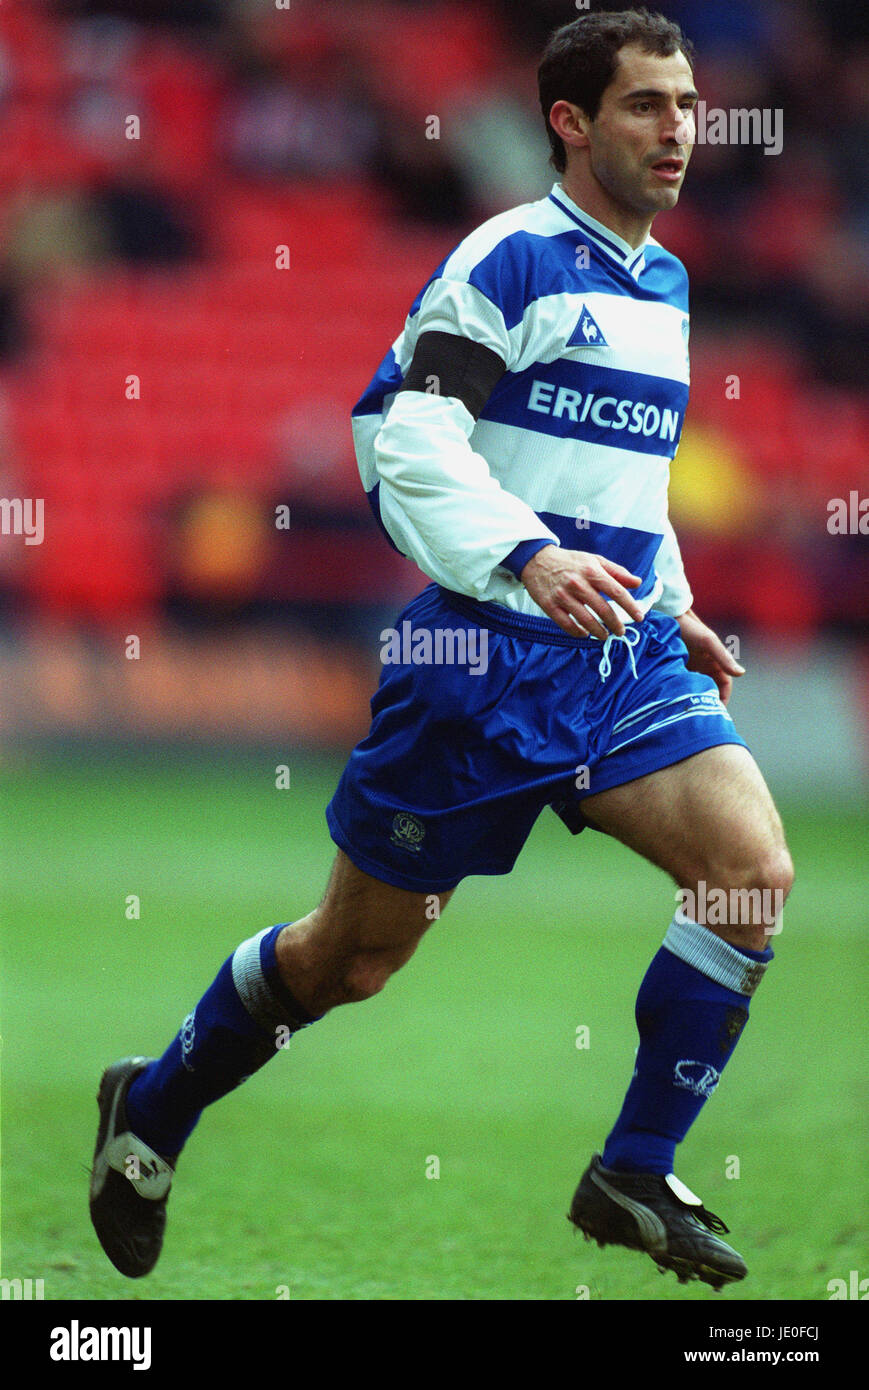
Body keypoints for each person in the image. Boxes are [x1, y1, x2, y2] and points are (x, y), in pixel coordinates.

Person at [90, 8, 794, 1292]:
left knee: (748, 874)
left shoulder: (665, 285)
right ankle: (155, 1101)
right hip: (476, 667)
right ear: (570, 122)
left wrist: (667, 592)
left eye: (688, 105)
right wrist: (526, 556)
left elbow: (627, 485)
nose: (679, 130)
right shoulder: (507, 261)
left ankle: (632, 1166)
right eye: (645, 105)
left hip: (616, 660)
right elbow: (411, 445)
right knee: (346, 961)